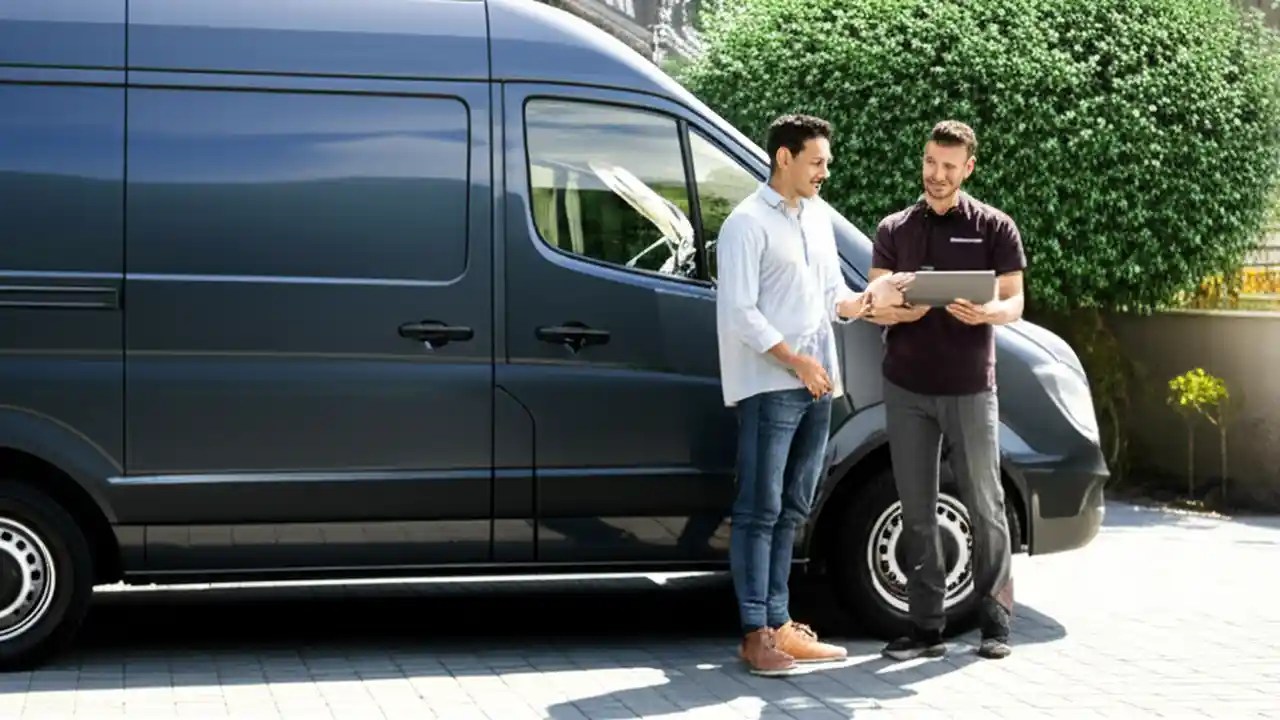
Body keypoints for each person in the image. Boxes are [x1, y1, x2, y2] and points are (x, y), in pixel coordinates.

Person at [715, 113, 907, 676]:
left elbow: (832, 300)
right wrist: (796, 361)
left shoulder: (818, 218)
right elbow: (739, 312)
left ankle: (780, 625)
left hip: (819, 383)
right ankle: (755, 635)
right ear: (784, 158)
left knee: (793, 508)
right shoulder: (746, 224)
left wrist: (872, 301)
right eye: (817, 161)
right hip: (774, 384)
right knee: (759, 509)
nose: (826, 171)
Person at [864, 120, 1026, 661]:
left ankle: (995, 622)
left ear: (968, 168)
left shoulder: (995, 227)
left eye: (948, 167)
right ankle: (925, 628)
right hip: (906, 386)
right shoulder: (894, 228)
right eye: (931, 163)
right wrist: (898, 307)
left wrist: (988, 312)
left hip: (970, 388)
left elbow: (1014, 301)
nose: (936, 175)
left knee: (985, 502)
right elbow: (874, 300)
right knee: (916, 508)